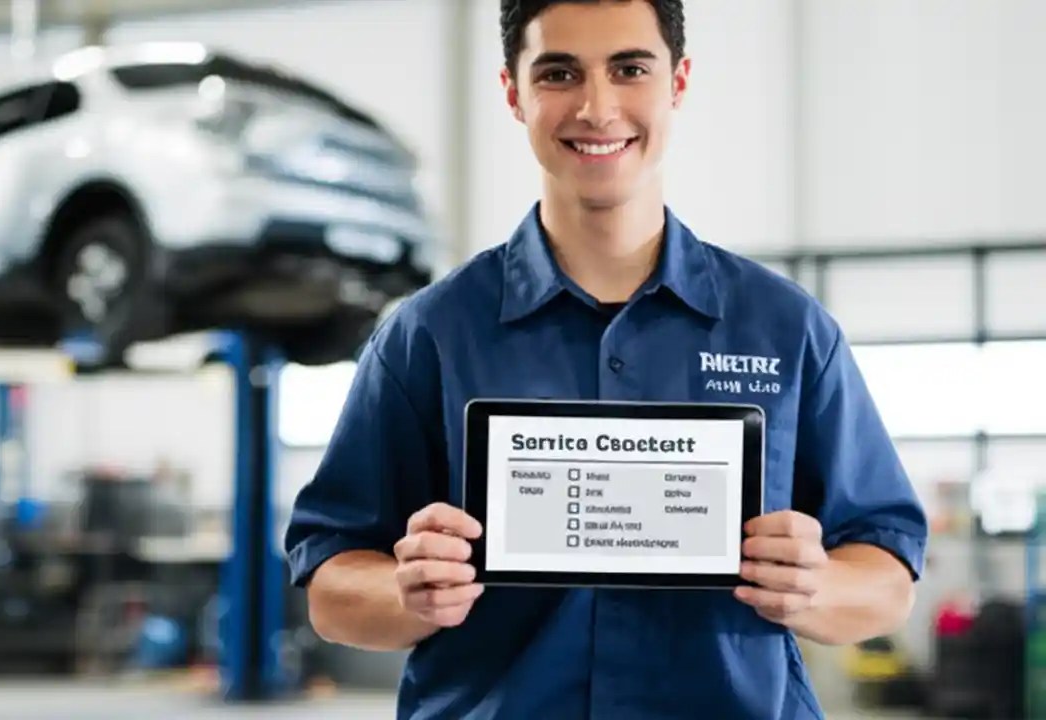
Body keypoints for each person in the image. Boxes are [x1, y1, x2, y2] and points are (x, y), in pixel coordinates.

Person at [283, 0, 928, 717]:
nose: (597, 107)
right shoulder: (429, 336)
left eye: (630, 68)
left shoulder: (785, 329)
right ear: (513, 92)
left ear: (677, 82)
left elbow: (887, 573)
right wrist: (403, 592)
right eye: (559, 72)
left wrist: (817, 587)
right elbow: (331, 582)